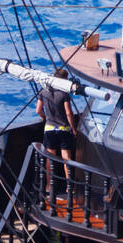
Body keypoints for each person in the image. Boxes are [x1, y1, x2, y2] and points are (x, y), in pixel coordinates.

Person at [36, 68, 77, 202]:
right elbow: (68, 113)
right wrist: (73, 128)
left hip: (49, 128)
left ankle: (48, 186)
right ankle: (69, 186)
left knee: (50, 158)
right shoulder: (64, 93)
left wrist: (44, 117)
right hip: (63, 129)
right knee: (67, 158)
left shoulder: (43, 92)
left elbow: (38, 110)